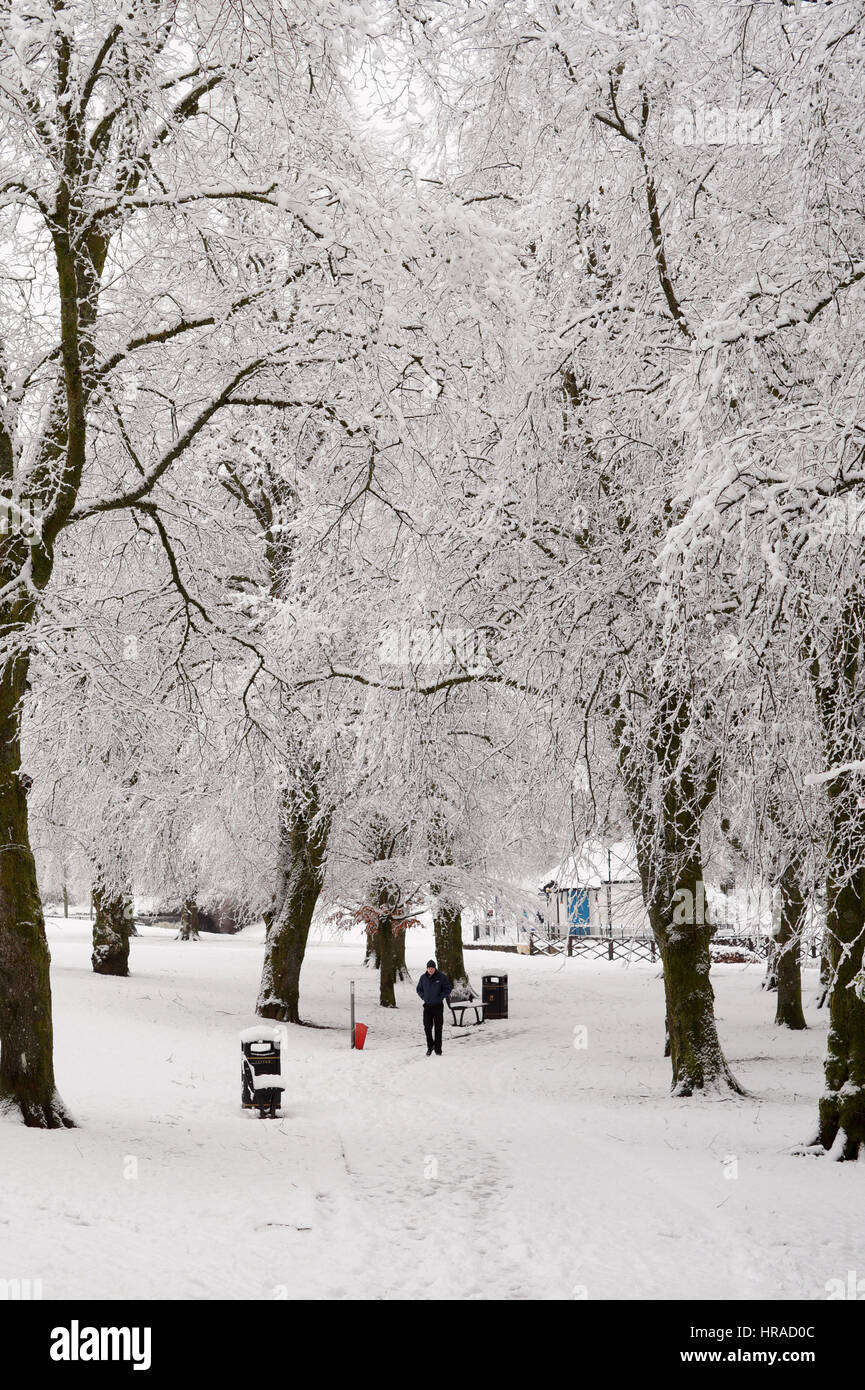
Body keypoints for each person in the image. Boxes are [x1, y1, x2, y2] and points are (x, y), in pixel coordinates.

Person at [416, 959, 451, 1056]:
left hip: (438, 1006)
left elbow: (448, 988)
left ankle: (438, 1049)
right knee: (427, 1028)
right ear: (427, 969)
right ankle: (430, 1046)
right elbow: (419, 989)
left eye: (432, 968)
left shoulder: (441, 977)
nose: (430, 970)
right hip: (427, 1007)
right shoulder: (423, 978)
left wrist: (440, 997)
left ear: (435, 968)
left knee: (438, 1028)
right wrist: (424, 997)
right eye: (429, 968)